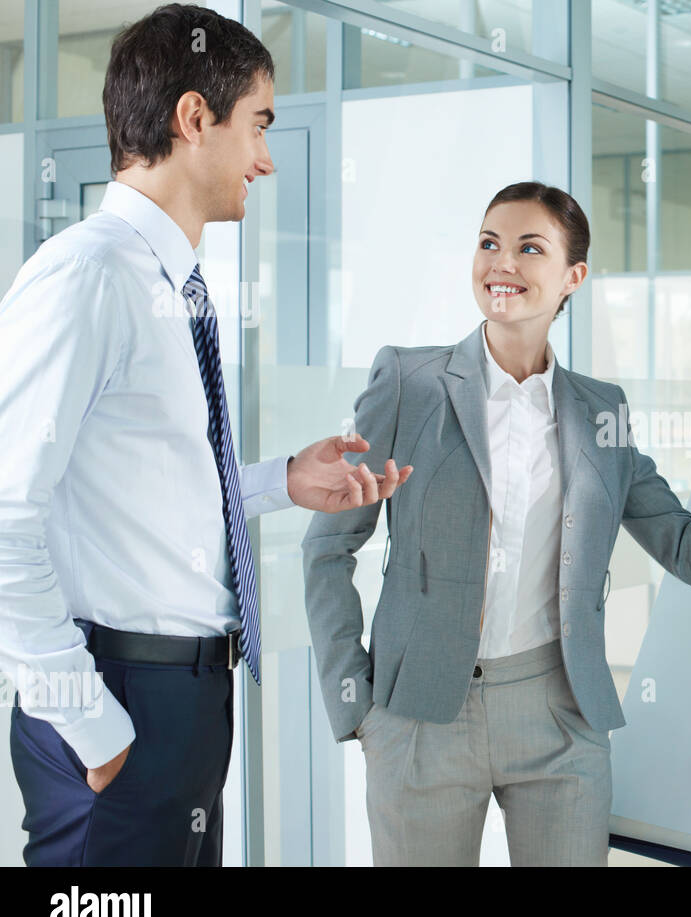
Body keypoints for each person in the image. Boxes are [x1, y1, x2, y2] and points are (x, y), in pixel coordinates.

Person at [301, 180, 691, 866]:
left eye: (528, 248)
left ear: (574, 275)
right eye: (489, 243)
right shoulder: (408, 382)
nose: (501, 263)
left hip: (558, 715)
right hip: (419, 718)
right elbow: (329, 550)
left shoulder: (601, 412)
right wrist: (358, 707)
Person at [0, 4, 411, 866]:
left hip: (181, 699)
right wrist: (94, 725)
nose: (265, 157)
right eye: (257, 124)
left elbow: (142, 489)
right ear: (195, 118)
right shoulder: (90, 276)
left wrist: (277, 483)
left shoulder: (170, 285)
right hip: (122, 699)